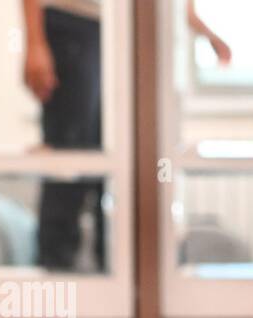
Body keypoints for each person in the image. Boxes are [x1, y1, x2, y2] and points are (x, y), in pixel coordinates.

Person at [21, 0, 231, 270]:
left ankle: (108, 282)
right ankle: (53, 273)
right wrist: (35, 42)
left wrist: (206, 31)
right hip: (70, 21)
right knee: (69, 158)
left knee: (113, 168)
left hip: (117, 30)